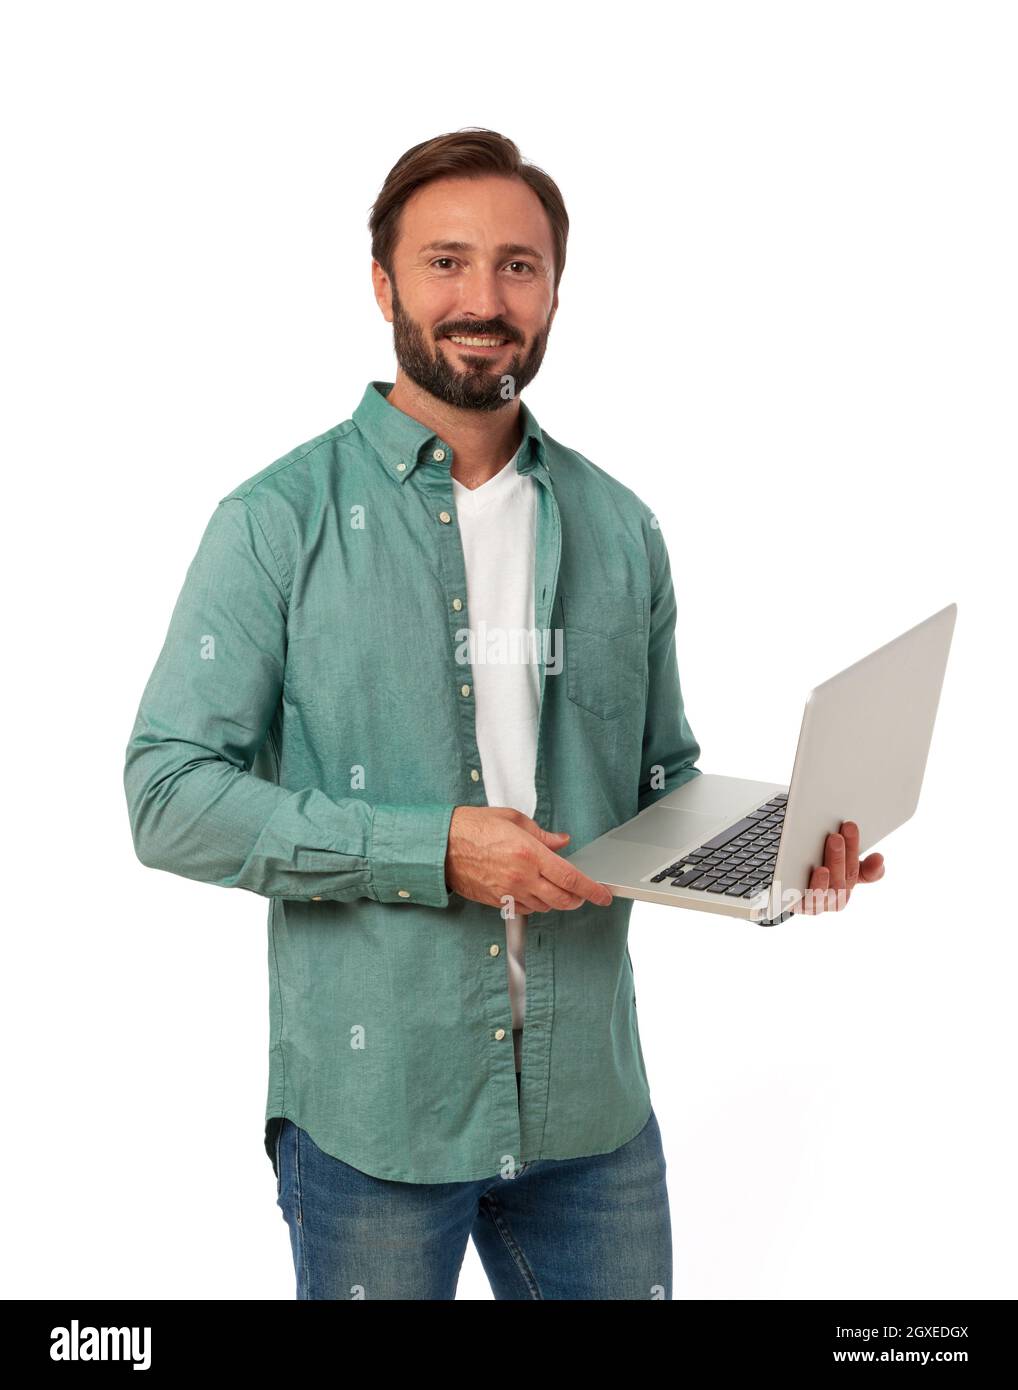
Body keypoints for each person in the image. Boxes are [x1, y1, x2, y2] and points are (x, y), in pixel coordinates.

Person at [123, 127, 884, 1301]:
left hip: (591, 1114)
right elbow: (168, 797)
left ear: (554, 292)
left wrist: (774, 860)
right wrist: (436, 848)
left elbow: (656, 784)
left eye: (518, 267)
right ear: (383, 284)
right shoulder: (274, 522)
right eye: (446, 262)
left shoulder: (621, 527)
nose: (484, 299)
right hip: (376, 1123)